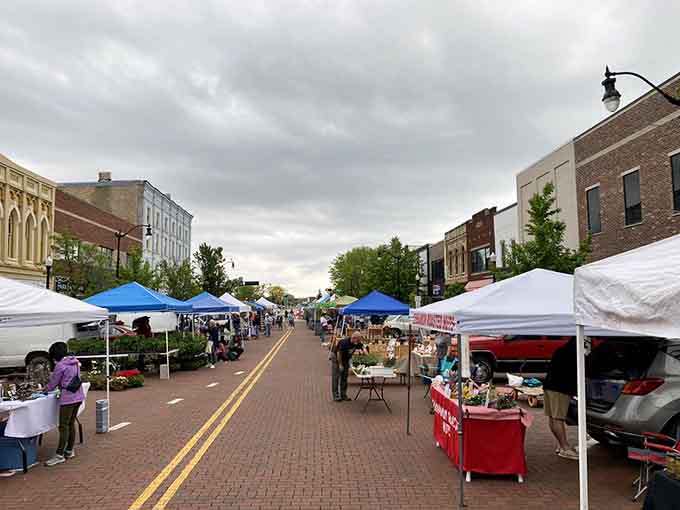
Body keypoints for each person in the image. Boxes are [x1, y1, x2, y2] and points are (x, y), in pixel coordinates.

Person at [45, 342, 84, 466]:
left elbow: (52, 385)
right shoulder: (75, 362)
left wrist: (42, 389)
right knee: (71, 423)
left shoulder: (60, 366)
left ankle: (59, 454)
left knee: (63, 426)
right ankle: (69, 450)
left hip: (68, 399)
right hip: (78, 396)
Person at [543, 337, 578, 460]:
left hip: (549, 386)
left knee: (553, 418)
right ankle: (565, 447)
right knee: (558, 418)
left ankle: (560, 445)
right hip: (559, 388)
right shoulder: (574, 352)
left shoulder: (561, 350)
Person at [331, 331, 366, 402]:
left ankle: (343, 395)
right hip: (336, 357)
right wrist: (340, 365)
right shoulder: (344, 342)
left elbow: (362, 347)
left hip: (346, 358)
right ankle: (336, 395)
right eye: (357, 340)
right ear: (353, 338)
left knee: (344, 376)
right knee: (336, 376)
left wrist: (365, 352)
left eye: (359, 340)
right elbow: (338, 354)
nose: (358, 342)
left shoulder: (357, 342)